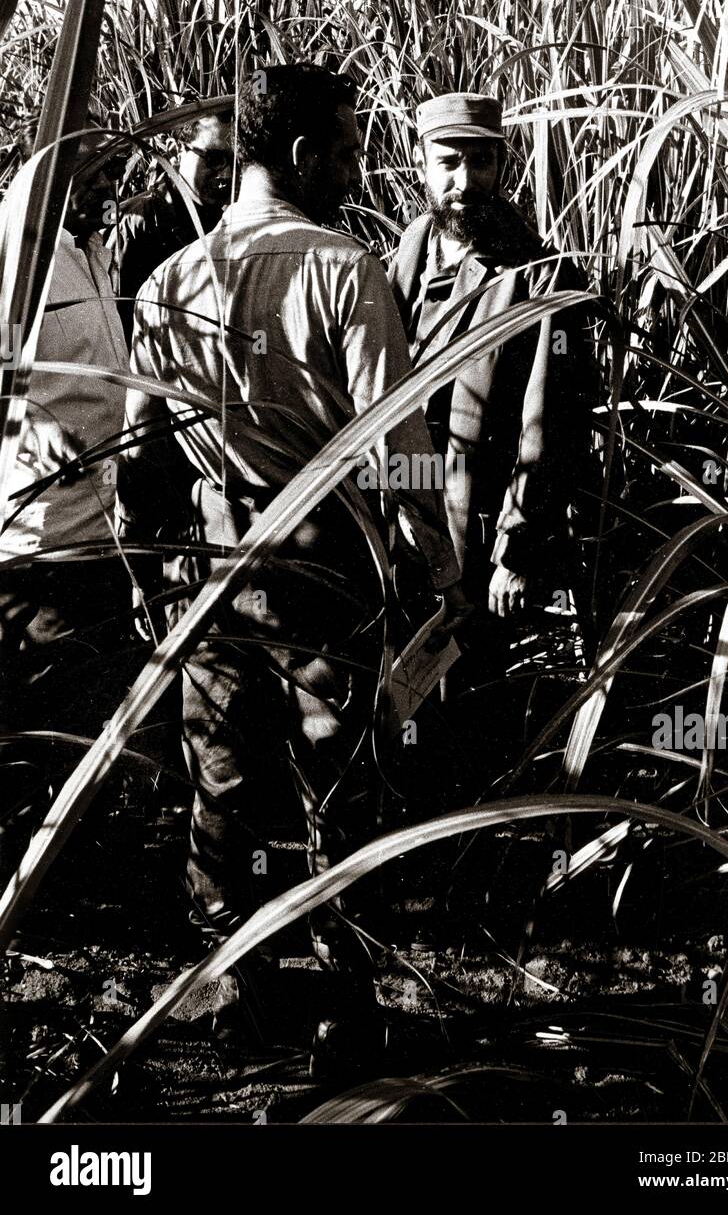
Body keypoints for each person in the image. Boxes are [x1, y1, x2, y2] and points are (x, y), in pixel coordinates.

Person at [116, 64, 471, 1061]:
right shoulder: (344, 270)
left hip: (216, 589)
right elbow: (399, 447)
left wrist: (147, 584)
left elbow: (139, 461)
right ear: (307, 156)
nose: (360, 167)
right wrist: (437, 571)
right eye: (352, 147)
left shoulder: (169, 283)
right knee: (340, 797)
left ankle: (244, 995)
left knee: (224, 793)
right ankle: (346, 1007)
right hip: (329, 588)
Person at [390, 92, 593, 751]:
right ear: (419, 162)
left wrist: (517, 548)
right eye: (449, 162)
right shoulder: (412, 248)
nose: (465, 182)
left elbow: (550, 427)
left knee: (474, 697)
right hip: (408, 517)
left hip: (479, 528)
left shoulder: (539, 275)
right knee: (407, 691)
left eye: (481, 162)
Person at [0, 129, 134, 884]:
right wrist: (33, 423)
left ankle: (68, 863)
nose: (105, 187)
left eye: (112, 172)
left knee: (85, 708)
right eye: (92, 173)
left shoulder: (93, 249)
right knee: (34, 711)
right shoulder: (16, 250)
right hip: (33, 537)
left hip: (101, 528)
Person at [109, 111, 234, 342]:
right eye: (214, 159)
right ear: (176, 150)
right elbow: (115, 324)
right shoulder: (138, 222)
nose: (225, 174)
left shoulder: (233, 220)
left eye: (235, 162)